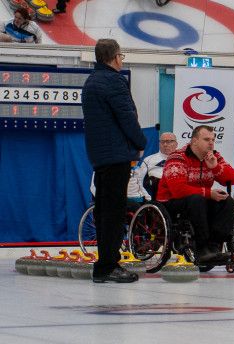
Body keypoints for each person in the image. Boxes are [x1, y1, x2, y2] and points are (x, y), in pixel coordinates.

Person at [83, 39, 146, 283]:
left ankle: (104, 265)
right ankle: (108, 265)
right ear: (115, 57)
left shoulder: (91, 82)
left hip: (100, 156)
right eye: (122, 56)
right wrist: (141, 142)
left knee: (103, 211)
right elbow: (127, 118)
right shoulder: (114, 81)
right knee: (113, 213)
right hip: (116, 155)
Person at [158, 126, 234, 264]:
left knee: (226, 201)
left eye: (213, 139)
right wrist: (209, 193)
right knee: (197, 200)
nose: (211, 143)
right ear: (194, 141)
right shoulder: (177, 157)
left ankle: (214, 247)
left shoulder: (215, 156)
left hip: (198, 201)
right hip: (170, 202)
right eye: (206, 139)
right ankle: (201, 248)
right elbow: (178, 190)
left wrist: (215, 167)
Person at [142, 132, 178, 197]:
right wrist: (147, 197)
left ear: (176, 144)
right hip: (155, 195)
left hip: (178, 195)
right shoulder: (148, 160)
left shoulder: (183, 159)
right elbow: (139, 181)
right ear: (159, 144)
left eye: (169, 141)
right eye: (162, 142)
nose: (165, 144)